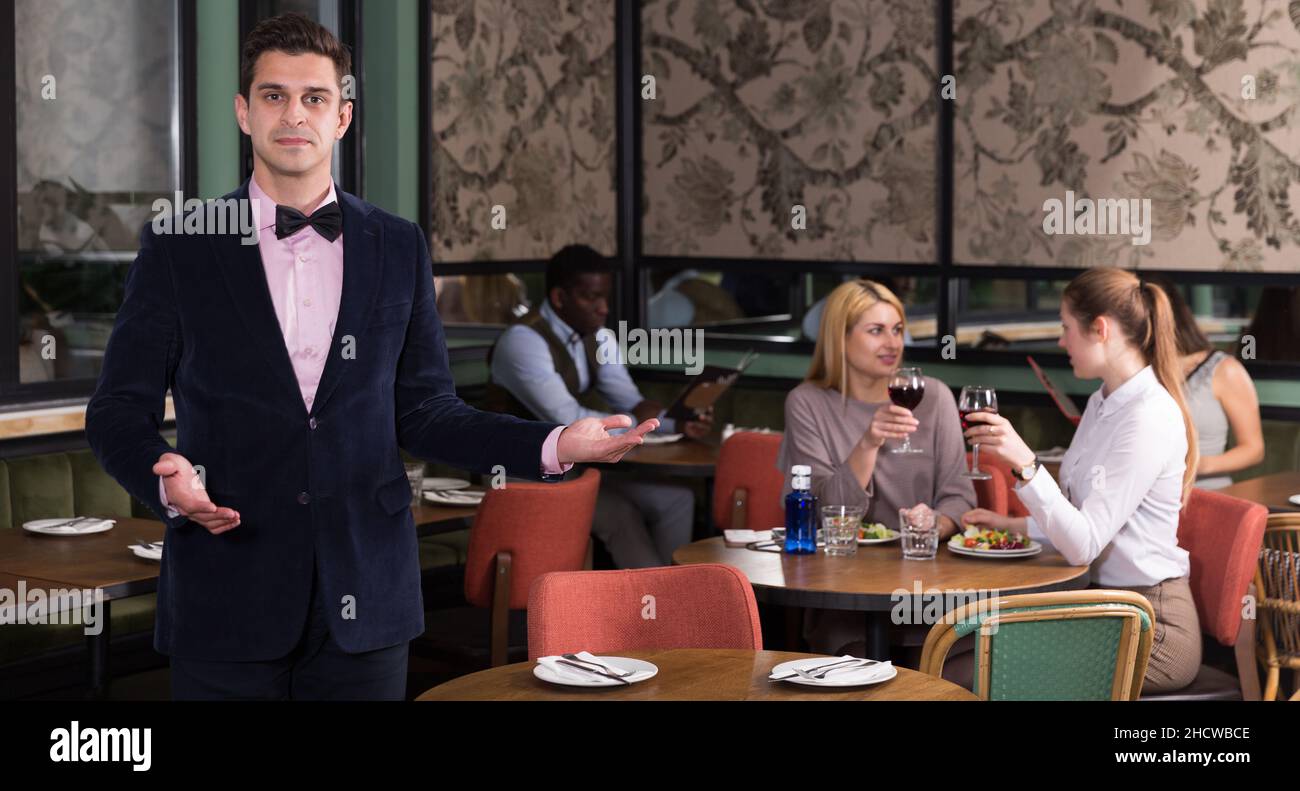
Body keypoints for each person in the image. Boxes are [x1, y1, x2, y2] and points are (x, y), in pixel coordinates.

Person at [85, 14, 654, 701]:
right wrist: (161, 473)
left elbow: (427, 412)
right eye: (273, 95)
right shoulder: (179, 246)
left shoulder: (397, 244)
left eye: (314, 98)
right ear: (243, 111)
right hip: (226, 594)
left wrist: (559, 440)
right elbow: (117, 407)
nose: (294, 114)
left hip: (368, 593)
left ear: (343, 117)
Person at [962, 268, 1202, 693]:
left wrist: (1026, 465)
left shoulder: (1148, 417)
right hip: (1102, 609)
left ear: (1100, 329)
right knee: (965, 653)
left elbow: (1084, 544)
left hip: (1151, 625)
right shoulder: (1104, 400)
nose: (1060, 340)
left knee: (979, 671)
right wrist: (1010, 526)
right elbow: (1084, 519)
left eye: (1065, 327)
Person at [778, 279, 976, 655]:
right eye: (876, 331)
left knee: (964, 672)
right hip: (843, 593)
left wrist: (934, 522)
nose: (892, 343)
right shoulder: (807, 403)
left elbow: (960, 497)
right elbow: (820, 511)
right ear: (841, 336)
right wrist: (868, 442)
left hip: (928, 593)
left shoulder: (933, 396)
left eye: (897, 330)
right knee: (864, 676)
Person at [487, 244, 709, 568]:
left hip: (573, 468)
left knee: (677, 499)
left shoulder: (598, 336)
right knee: (620, 515)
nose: (603, 308)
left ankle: (667, 599)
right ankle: (657, 606)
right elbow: (568, 419)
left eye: (604, 296)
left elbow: (629, 399)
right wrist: (639, 421)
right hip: (518, 473)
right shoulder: (522, 341)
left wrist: (678, 422)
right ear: (560, 298)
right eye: (591, 298)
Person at [1149, 276, 1263, 489]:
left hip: (1206, 493)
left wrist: (1197, 465)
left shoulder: (1224, 369)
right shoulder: (1135, 370)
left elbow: (1254, 449)